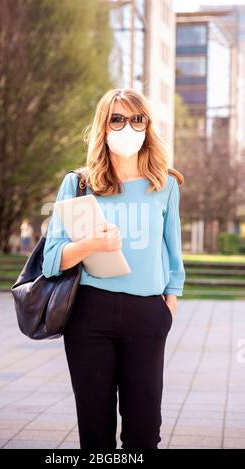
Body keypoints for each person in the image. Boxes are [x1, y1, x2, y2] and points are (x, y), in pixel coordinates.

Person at [42, 88, 185, 450]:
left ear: (147, 126)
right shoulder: (78, 184)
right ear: (103, 127)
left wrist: (168, 306)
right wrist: (92, 244)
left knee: (144, 432)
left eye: (137, 119)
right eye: (117, 119)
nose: (128, 127)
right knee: (95, 433)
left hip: (147, 314)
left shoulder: (164, 184)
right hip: (90, 313)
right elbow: (50, 259)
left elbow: (174, 253)